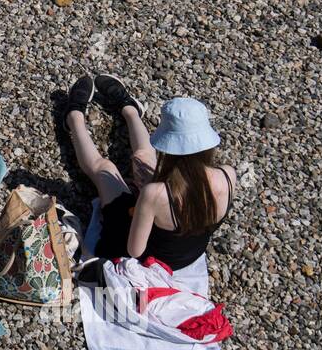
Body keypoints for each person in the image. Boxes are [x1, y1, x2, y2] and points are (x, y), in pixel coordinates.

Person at [61, 75, 235, 278]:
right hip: (189, 253)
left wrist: (146, 193)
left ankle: (74, 118)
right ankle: (130, 109)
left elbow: (135, 250)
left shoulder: (155, 193)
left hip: (153, 258)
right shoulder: (228, 174)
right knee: (142, 157)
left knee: (104, 168)